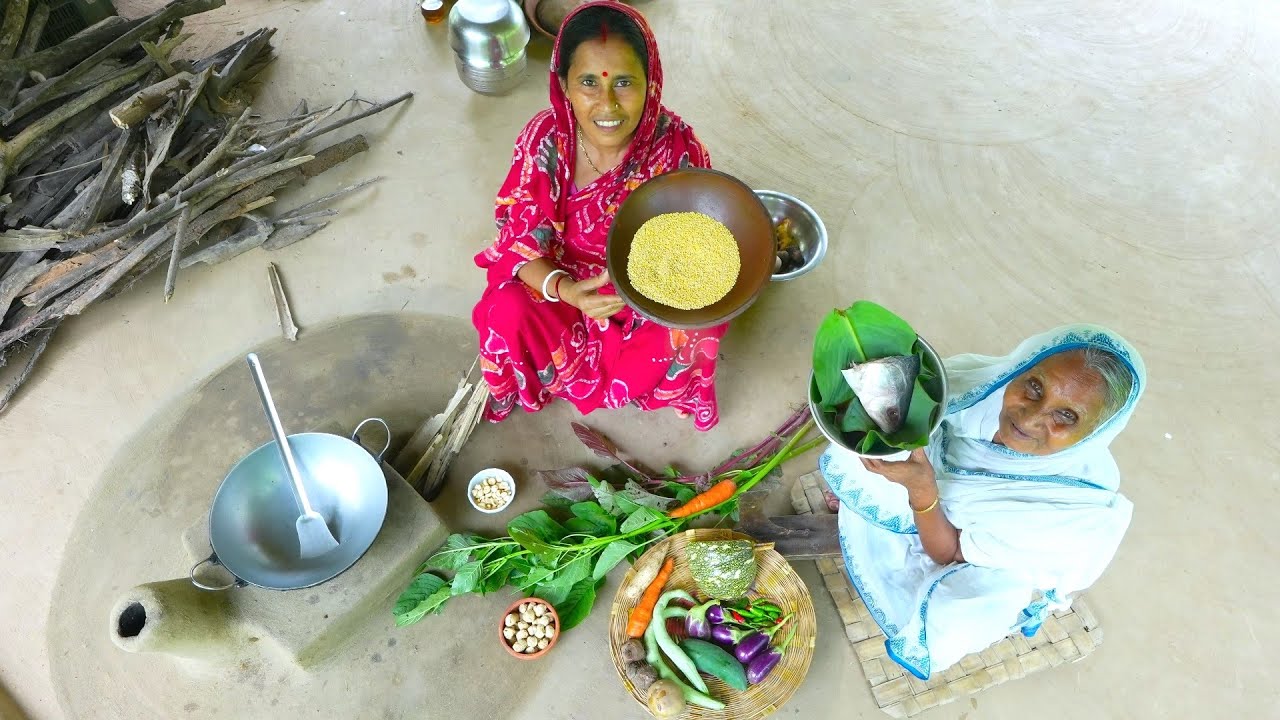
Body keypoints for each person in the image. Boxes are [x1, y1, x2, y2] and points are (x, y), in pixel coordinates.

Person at [820, 325, 1145, 679]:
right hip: (936, 493)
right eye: (1035, 386)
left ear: (1096, 433)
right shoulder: (984, 389)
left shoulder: (1068, 517)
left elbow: (949, 551)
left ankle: (888, 522)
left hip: (982, 554)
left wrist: (922, 490)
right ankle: (871, 510)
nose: (1030, 419)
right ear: (1023, 367)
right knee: (869, 440)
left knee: (963, 615)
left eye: (1066, 416)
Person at [471, 1, 728, 430]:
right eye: (589, 82)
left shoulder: (677, 150)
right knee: (507, 309)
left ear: (651, 82)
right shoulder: (545, 140)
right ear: (564, 85)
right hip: (560, 281)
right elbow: (517, 240)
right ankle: (553, 374)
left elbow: (694, 244)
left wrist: (646, 290)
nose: (607, 104)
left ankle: (637, 383)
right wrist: (569, 291)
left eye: (623, 82)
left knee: (702, 320)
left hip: (644, 292)